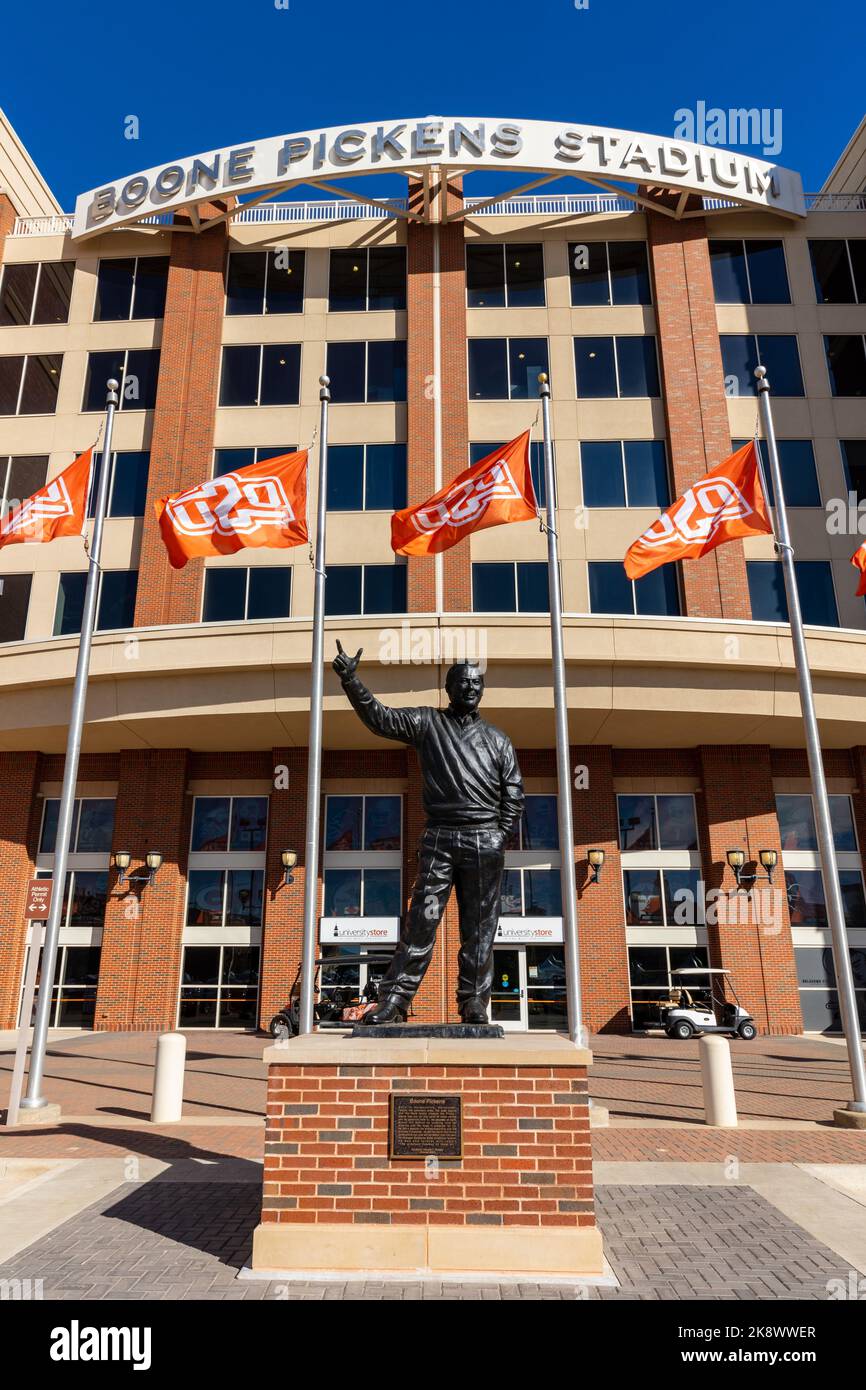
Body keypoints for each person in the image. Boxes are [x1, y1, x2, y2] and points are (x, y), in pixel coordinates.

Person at [332, 642, 524, 1024]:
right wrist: (351, 680)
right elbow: (380, 718)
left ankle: (473, 1002)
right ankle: (395, 1001)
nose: (470, 688)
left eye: (476, 683)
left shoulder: (499, 740)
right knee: (421, 921)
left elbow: (514, 793)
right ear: (450, 687)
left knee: (480, 929)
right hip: (440, 838)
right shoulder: (427, 723)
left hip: (484, 840)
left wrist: (500, 834)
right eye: (463, 682)